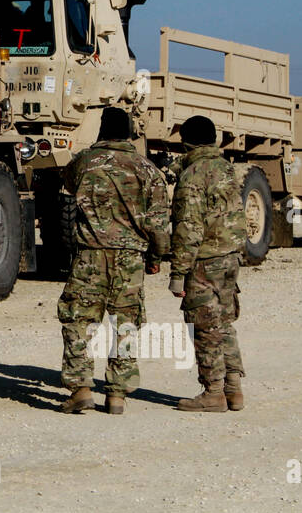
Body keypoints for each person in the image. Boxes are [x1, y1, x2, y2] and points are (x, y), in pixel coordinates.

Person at [57, 107, 171, 415]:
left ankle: (80, 387)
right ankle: (117, 394)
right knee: (126, 324)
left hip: (89, 254)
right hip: (129, 258)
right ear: (130, 132)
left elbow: (68, 186)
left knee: (78, 319)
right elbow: (159, 224)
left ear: (101, 130)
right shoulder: (147, 169)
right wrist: (156, 257)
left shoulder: (82, 162)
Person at [169, 115, 248, 412]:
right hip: (230, 259)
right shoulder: (226, 169)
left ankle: (213, 393)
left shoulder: (192, 176)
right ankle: (233, 389)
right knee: (225, 323)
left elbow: (188, 228)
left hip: (204, 262)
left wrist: (178, 273)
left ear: (185, 142)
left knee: (205, 327)